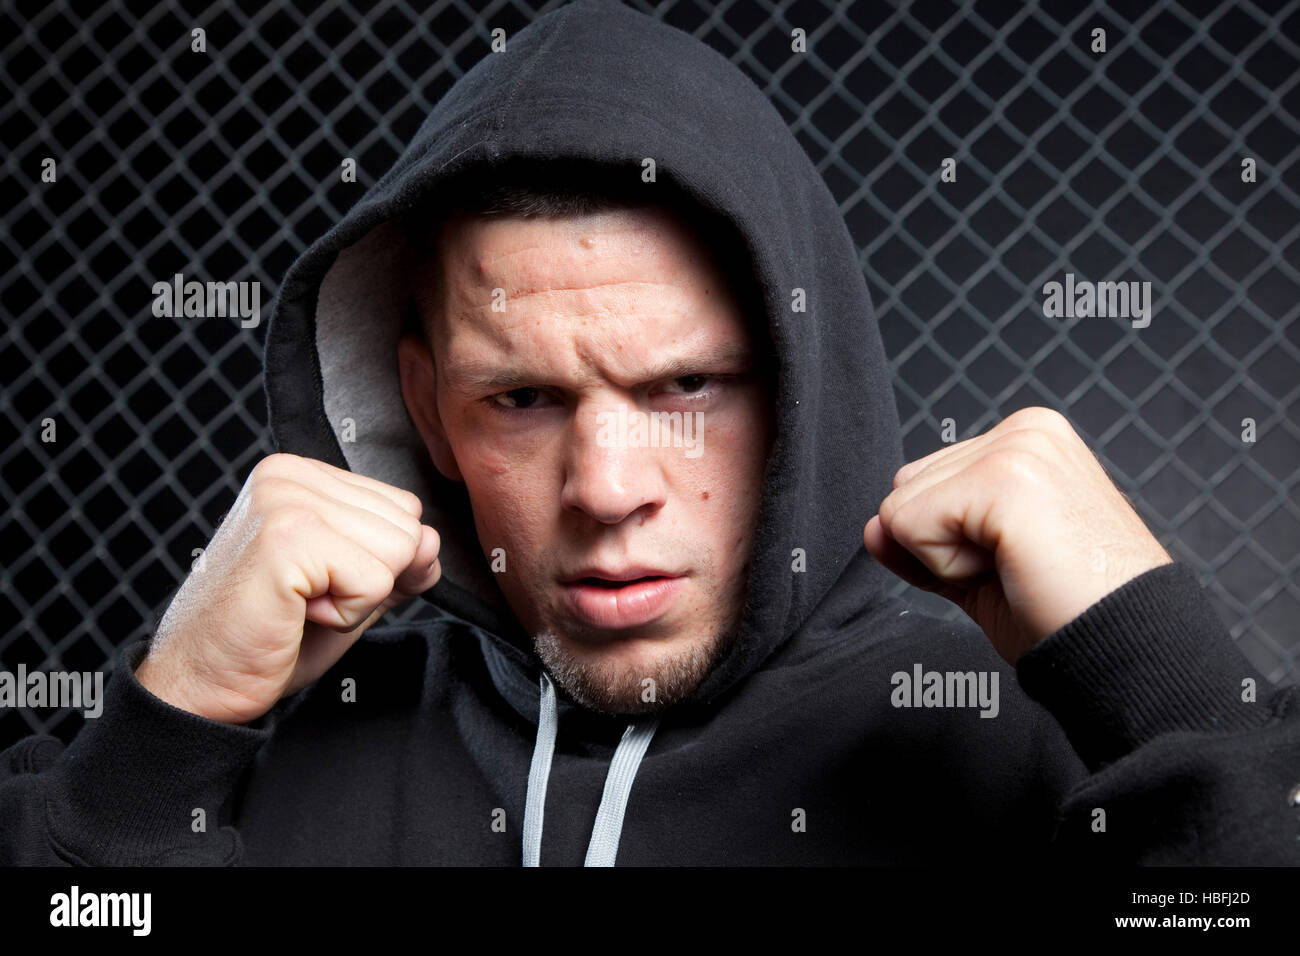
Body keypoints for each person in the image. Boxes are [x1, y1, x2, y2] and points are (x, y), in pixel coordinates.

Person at [2, 0, 1296, 866]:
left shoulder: (1026, 756)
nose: (609, 491)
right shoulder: (264, 767)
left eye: (687, 387)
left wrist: (1171, 683)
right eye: (522, 399)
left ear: (802, 383)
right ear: (424, 413)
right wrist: (160, 737)